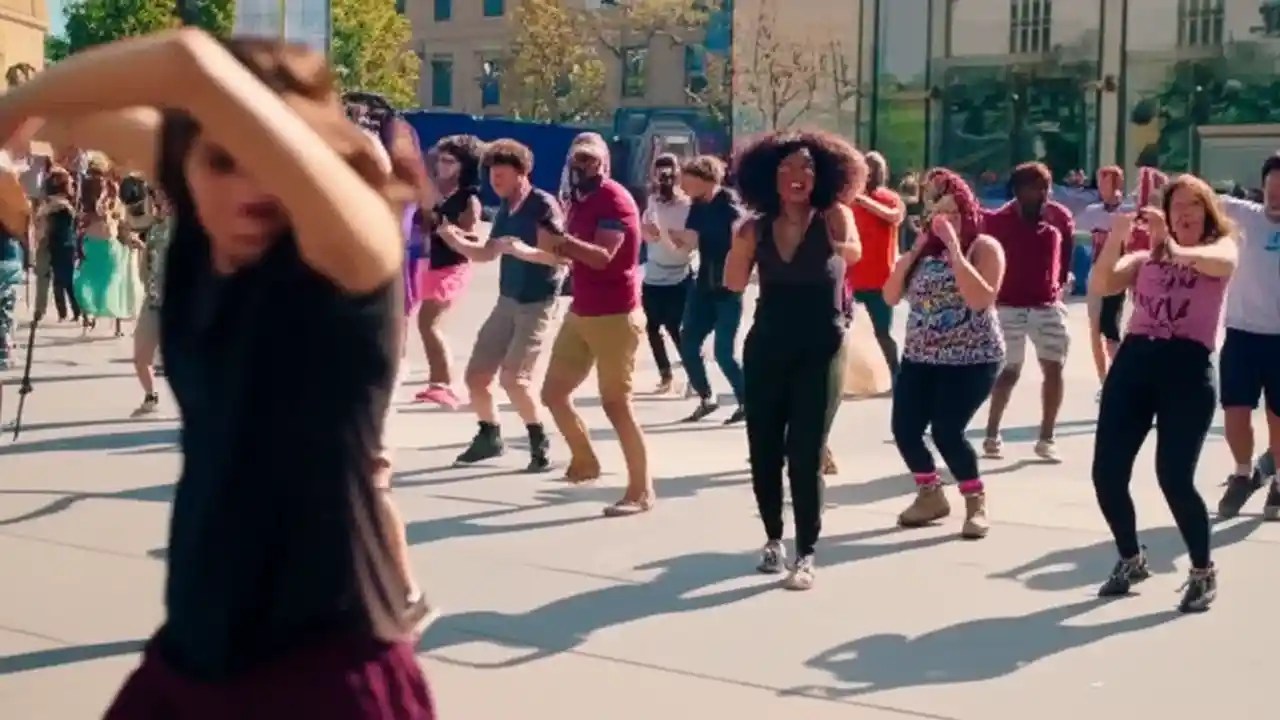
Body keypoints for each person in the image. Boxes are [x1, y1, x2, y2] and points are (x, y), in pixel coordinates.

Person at [3, 29, 436, 716]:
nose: (251, 183)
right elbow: (79, 118)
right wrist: (25, 117)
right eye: (223, 160)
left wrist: (13, 104)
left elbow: (188, 64)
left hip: (326, 673)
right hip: (194, 657)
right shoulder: (203, 214)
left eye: (276, 156)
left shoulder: (350, 249)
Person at [1088, 174, 1237, 613]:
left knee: (1174, 477)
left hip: (1186, 370)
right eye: (1177, 207)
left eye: (1194, 205)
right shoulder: (1144, 257)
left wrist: (1170, 246)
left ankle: (1202, 570)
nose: (1185, 213)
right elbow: (1102, 284)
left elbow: (1219, 265)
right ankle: (1131, 558)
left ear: (1207, 210)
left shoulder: (1219, 248)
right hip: (1135, 363)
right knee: (1107, 474)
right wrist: (1118, 234)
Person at [727, 130, 863, 590]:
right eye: (785, 168)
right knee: (762, 450)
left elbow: (855, 252)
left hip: (821, 347)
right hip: (766, 346)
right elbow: (731, 283)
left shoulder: (834, 217)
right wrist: (738, 245)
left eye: (806, 166)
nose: (796, 176)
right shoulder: (756, 227)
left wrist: (841, 247)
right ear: (769, 176)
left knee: (804, 454)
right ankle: (772, 538)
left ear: (822, 174)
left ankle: (806, 552)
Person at [885, 169, 1006, 540]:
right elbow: (890, 295)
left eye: (955, 213)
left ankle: (975, 503)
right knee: (904, 429)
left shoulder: (983, 247)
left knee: (947, 431)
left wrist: (954, 249)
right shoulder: (922, 253)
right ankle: (931, 495)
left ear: (968, 212)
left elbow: (980, 299)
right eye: (940, 213)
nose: (946, 220)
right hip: (921, 356)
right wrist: (916, 251)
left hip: (973, 358)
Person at [537, 133, 652, 516]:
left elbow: (603, 256)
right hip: (582, 312)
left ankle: (640, 492)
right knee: (554, 393)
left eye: (591, 160)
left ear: (605, 163)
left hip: (615, 316)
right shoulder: (578, 201)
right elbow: (567, 252)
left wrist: (561, 241)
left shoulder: (613, 199)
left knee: (617, 404)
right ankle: (585, 462)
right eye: (578, 160)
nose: (583, 167)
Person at [439, 138, 565, 472]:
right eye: (493, 177)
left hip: (537, 302)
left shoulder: (543, 206)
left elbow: (561, 257)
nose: (496, 183)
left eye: (502, 177)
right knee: (477, 376)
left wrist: (525, 251)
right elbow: (487, 252)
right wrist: (453, 239)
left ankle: (539, 440)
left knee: (514, 379)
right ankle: (489, 436)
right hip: (507, 300)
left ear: (523, 173)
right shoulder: (506, 208)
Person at [981, 162, 1075, 462]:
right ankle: (992, 433)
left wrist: (1060, 285)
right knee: (1009, 371)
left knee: (1054, 368)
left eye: (1046, 186)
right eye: (1036, 187)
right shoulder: (997, 222)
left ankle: (1047, 437)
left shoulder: (1059, 218)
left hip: (1046, 306)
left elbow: (1068, 252)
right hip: (1008, 306)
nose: (1043, 193)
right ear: (1019, 190)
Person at [1214, 153, 1280, 520]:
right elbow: (1197, 198)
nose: (1277, 196)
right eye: (1272, 188)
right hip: (1241, 334)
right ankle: (1244, 473)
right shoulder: (1242, 216)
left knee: (1277, 417)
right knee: (1236, 413)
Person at [414, 134, 482, 408]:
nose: (442, 165)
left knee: (428, 322)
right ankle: (435, 382)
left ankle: (443, 384)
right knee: (421, 323)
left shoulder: (467, 200)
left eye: (449, 161)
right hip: (428, 263)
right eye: (440, 159)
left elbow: (473, 238)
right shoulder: (430, 190)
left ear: (463, 167)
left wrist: (452, 232)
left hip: (451, 268)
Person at [678, 154, 747, 423]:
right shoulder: (696, 206)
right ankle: (707, 397)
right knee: (688, 342)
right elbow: (690, 244)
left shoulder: (728, 203)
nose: (683, 187)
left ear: (705, 179)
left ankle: (746, 400)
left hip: (728, 286)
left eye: (688, 181)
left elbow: (743, 237)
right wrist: (664, 235)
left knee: (723, 353)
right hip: (704, 284)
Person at [846, 151, 904, 380]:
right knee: (841, 333)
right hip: (851, 279)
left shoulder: (889, 198)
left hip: (880, 280)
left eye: (875, 169)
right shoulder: (849, 201)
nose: (871, 174)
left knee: (882, 333)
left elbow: (894, 216)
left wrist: (863, 200)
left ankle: (896, 375)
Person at [639, 153, 694, 394]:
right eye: (659, 172)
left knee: (675, 327)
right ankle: (665, 374)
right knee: (652, 327)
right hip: (653, 274)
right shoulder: (652, 201)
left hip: (678, 275)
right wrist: (647, 231)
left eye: (668, 172)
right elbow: (645, 232)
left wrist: (672, 235)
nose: (664, 177)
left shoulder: (686, 204)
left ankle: (695, 373)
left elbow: (688, 240)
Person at [1077, 166, 1134, 395]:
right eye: (1099, 182)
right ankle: (1105, 382)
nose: (1101, 187)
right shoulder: (1093, 211)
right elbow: (1073, 226)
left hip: (1119, 271)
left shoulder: (1129, 211)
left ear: (1117, 185)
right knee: (1094, 329)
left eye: (1106, 183)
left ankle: (1122, 378)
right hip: (1096, 272)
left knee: (1110, 326)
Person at [73, 155, 143, 336]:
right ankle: (93, 316)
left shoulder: (109, 197)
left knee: (108, 282)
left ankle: (103, 320)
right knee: (99, 282)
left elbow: (118, 219)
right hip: (98, 242)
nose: (96, 181)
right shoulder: (93, 200)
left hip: (105, 243)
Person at [130, 188, 172, 417]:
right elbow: (149, 265)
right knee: (140, 357)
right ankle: (150, 396)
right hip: (154, 300)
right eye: (158, 198)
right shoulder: (156, 229)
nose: (159, 201)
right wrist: (141, 247)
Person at [35, 167, 81, 323]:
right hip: (54, 242)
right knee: (55, 280)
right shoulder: (52, 200)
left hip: (63, 243)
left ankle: (75, 311)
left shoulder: (66, 202)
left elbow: (72, 215)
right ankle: (59, 312)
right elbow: (40, 217)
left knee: (65, 280)